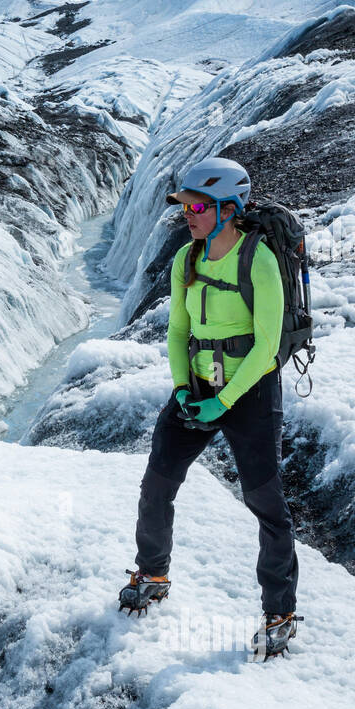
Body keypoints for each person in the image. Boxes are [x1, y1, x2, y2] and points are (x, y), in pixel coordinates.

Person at [117, 156, 301, 659]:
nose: (188, 215)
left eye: (197, 206)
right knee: (158, 482)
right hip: (198, 387)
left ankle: (279, 613)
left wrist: (222, 400)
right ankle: (153, 572)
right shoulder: (187, 259)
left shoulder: (259, 260)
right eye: (184, 206)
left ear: (228, 209)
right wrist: (183, 389)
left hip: (250, 393)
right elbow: (179, 330)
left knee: (267, 505)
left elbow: (266, 348)